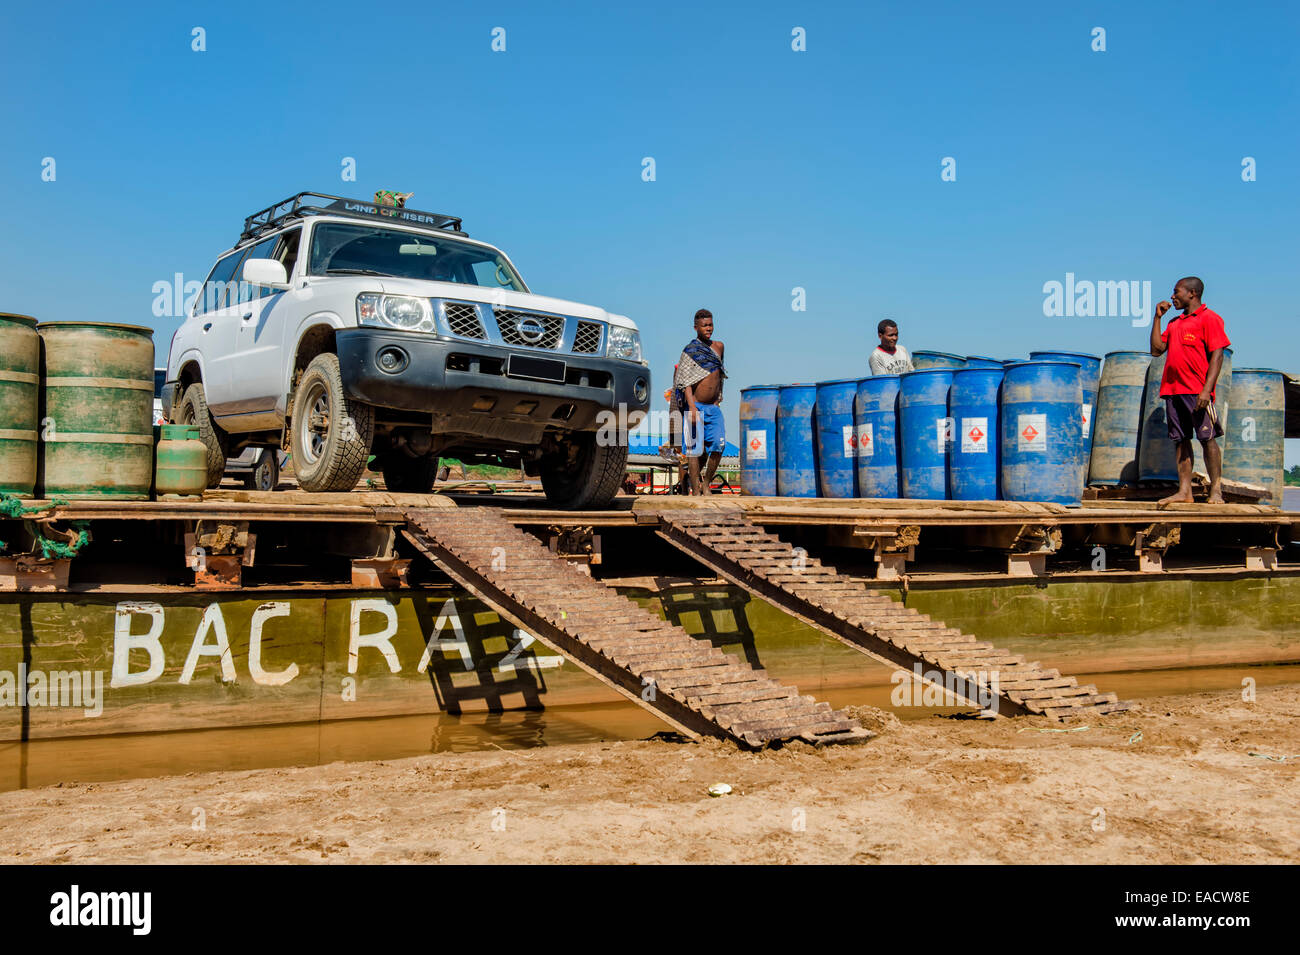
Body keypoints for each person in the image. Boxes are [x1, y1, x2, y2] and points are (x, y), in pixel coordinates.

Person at [1149, 276, 1230, 505]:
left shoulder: (1209, 319)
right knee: (1181, 440)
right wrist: (1157, 318)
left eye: (1177, 292)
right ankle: (1185, 491)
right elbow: (1156, 350)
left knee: (1208, 438)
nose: (1172, 296)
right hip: (1173, 390)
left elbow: (1218, 355)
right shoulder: (1174, 323)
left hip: (1197, 391)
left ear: (1192, 294)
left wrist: (1207, 390)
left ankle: (1216, 491)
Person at [673, 308, 726, 495]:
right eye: (704, 325)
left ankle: (706, 483)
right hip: (695, 406)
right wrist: (692, 407)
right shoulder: (690, 351)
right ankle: (695, 490)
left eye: (710, 324)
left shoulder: (719, 347)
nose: (708, 328)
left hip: (713, 407)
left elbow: (720, 374)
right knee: (694, 450)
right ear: (696, 327)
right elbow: (685, 381)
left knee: (719, 445)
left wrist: (719, 397)